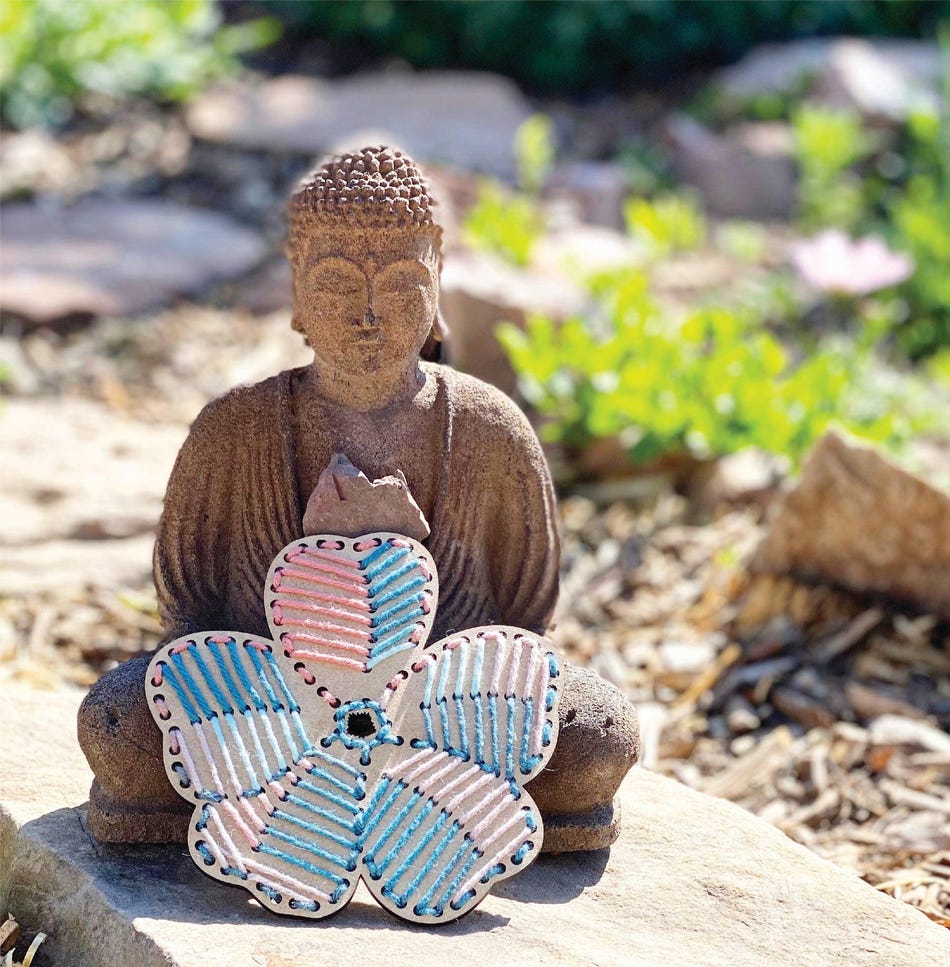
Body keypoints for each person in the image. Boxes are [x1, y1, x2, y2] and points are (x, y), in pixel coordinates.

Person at [78, 147, 638, 853]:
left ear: (438, 285)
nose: (368, 315)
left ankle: (395, 802)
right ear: (296, 291)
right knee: (121, 725)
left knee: (595, 738)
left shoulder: (491, 430)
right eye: (338, 284)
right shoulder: (236, 429)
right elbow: (189, 614)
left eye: (401, 285)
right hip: (267, 717)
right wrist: (321, 577)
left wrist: (404, 572)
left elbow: (524, 622)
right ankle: (282, 802)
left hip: (449, 721)